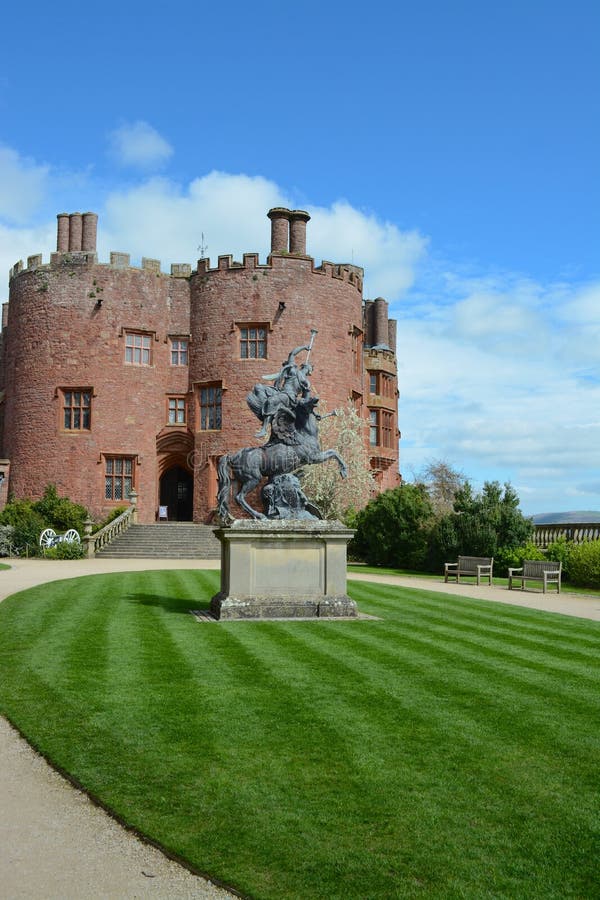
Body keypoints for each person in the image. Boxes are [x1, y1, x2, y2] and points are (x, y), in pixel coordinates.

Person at [247, 342, 314, 438]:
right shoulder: (293, 369)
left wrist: (306, 394)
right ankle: (267, 411)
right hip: (279, 391)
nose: (308, 366)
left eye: (309, 366)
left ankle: (264, 429)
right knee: (258, 387)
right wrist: (304, 347)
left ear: (310, 371)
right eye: (308, 366)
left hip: (289, 397)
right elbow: (292, 354)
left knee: (271, 401)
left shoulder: (306, 382)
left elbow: (305, 399)